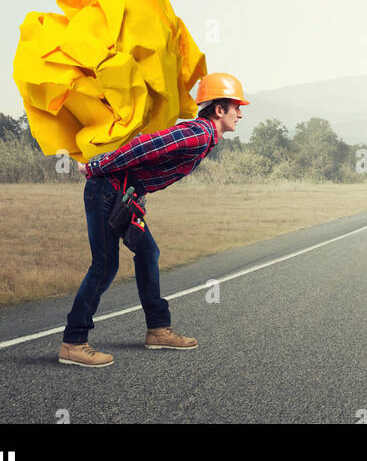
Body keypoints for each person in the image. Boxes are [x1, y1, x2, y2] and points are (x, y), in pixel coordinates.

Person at [57, 72, 249, 367]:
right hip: (107, 189)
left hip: (122, 195)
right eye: (237, 106)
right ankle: (73, 342)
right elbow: (144, 146)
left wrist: (138, 197)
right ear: (219, 109)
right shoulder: (198, 133)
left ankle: (158, 330)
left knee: (148, 252)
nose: (241, 113)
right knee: (105, 265)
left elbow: (151, 165)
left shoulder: (206, 137)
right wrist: (96, 166)